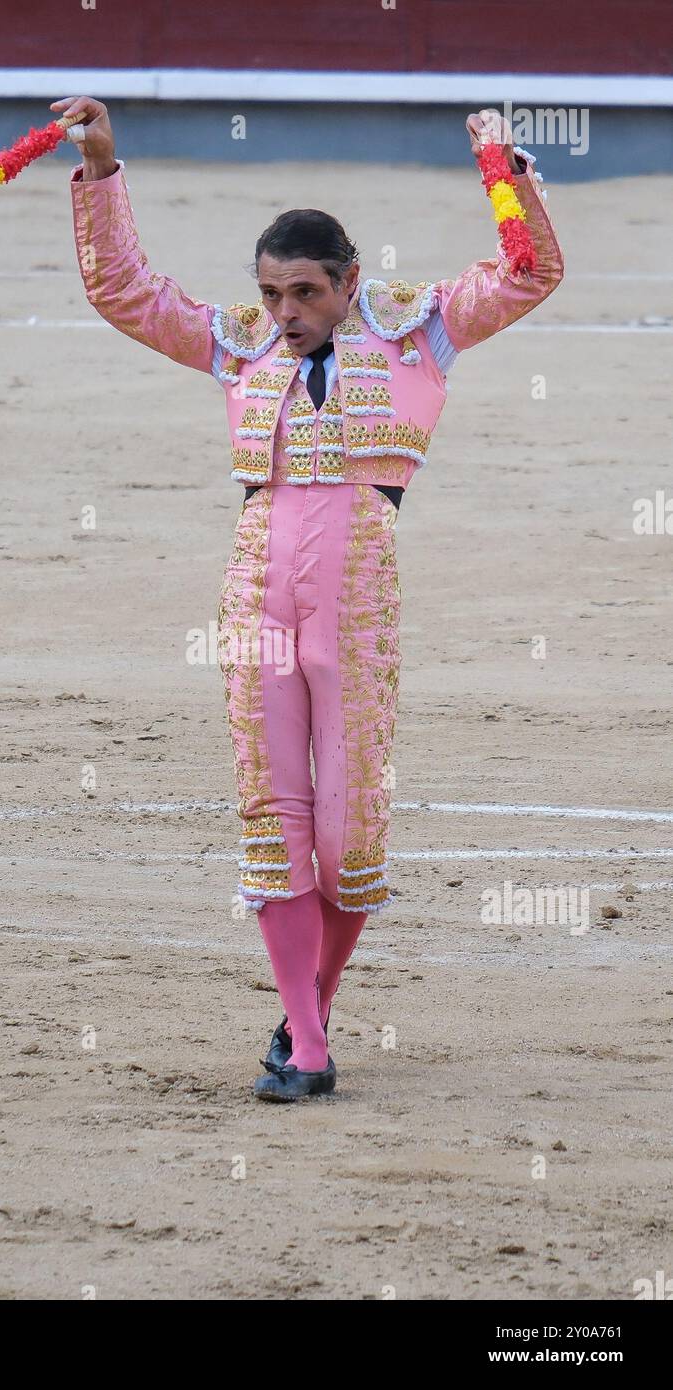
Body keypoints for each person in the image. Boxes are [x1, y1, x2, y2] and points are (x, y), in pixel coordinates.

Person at [55, 95, 564, 1101]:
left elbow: (528, 270)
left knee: (345, 829)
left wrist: (498, 165)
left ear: (346, 284)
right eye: (270, 293)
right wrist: (103, 170)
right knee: (271, 812)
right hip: (255, 589)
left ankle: (309, 1011)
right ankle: (308, 1041)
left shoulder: (417, 333)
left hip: (358, 592)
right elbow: (122, 290)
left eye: (301, 293)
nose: (283, 312)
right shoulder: (242, 346)